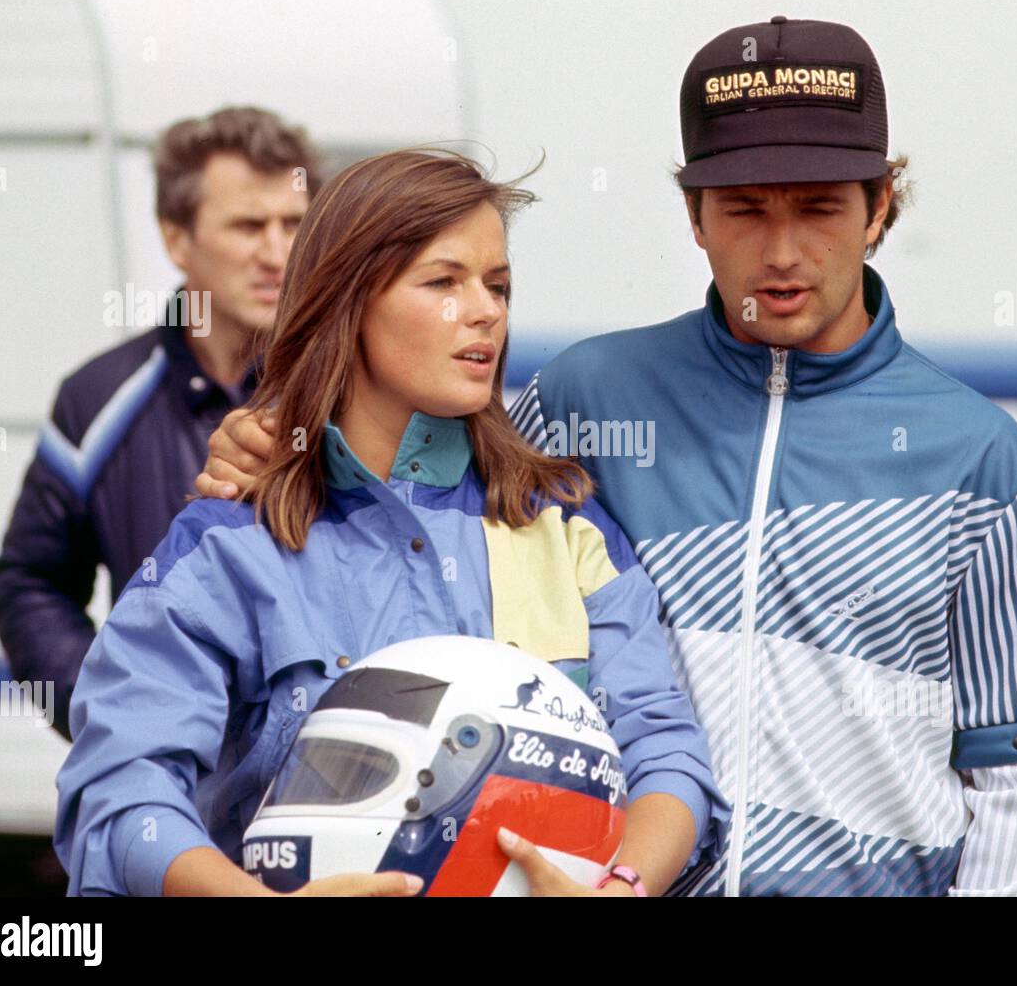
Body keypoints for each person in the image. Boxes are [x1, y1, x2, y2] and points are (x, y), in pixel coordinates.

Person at [199, 18, 1017, 897]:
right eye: (744, 209)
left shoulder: (980, 455)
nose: (781, 251)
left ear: (880, 210)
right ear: (693, 216)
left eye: (821, 207)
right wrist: (282, 444)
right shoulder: (587, 397)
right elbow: (408, 508)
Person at [54, 149, 727, 897]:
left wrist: (625, 887)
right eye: (444, 281)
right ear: (346, 300)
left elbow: (665, 754)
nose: (487, 309)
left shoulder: (568, 531)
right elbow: (121, 787)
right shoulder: (229, 540)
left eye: (498, 285)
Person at [0, 106, 320, 739]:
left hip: (327, 795)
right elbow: (30, 582)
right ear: (176, 238)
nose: (279, 253)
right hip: (165, 795)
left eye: (296, 224)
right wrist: (115, 717)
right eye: (250, 226)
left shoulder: (352, 392)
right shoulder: (99, 397)